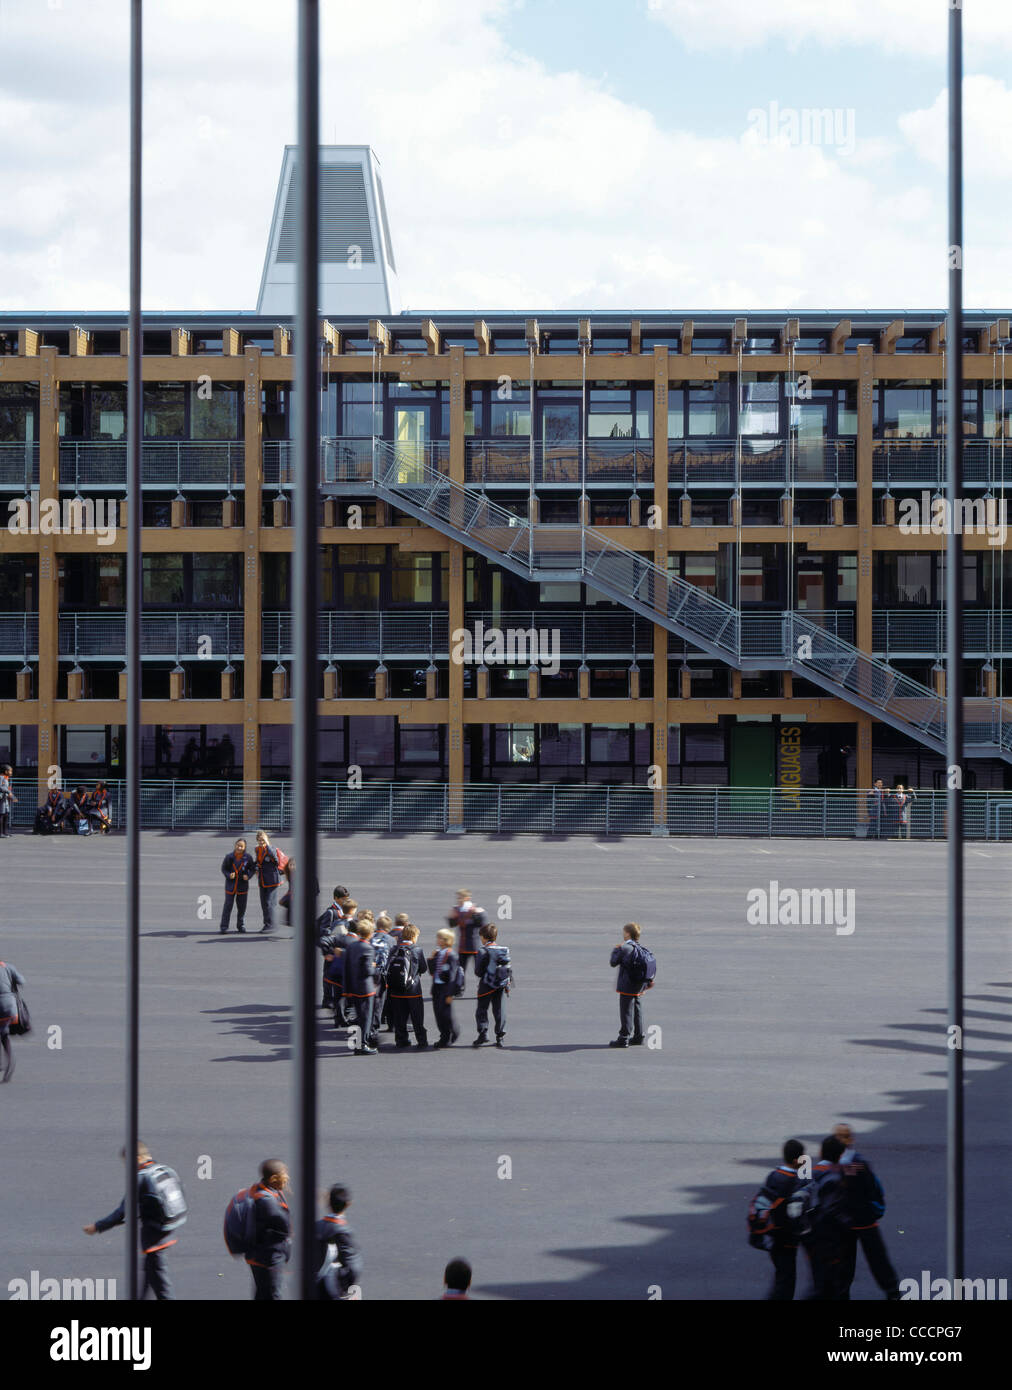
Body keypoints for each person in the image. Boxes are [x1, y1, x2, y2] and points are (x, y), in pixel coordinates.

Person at [83, 1143, 186, 1300]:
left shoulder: (141, 1179)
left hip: (154, 1240)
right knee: (150, 1274)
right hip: (167, 1231)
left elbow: (121, 1213)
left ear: (136, 1159)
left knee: (162, 1289)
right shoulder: (164, 1171)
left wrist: (97, 1227)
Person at [834, 1123, 901, 1300]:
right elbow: (873, 1189)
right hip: (861, 1219)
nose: (841, 1139)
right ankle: (892, 1292)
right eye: (839, 1136)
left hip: (850, 1219)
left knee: (854, 1260)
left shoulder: (846, 1165)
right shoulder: (857, 1162)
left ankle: (891, 1291)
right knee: (872, 1258)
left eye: (843, 1136)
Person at [754, 1139, 808, 1300]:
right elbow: (796, 1212)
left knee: (781, 1275)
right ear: (795, 1160)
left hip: (772, 1233)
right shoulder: (796, 1182)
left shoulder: (773, 1175)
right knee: (786, 1280)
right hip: (786, 1237)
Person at [237, 1159, 291, 1301]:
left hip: (256, 1255)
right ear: (273, 1179)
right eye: (284, 1175)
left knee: (262, 1292)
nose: (287, 1178)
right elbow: (285, 1227)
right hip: (269, 1257)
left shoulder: (259, 1190)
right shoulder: (268, 1203)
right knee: (273, 1293)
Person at [807, 1135, 854, 1300]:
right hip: (831, 1237)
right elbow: (832, 1211)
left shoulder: (811, 1173)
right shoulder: (836, 1177)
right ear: (839, 1155)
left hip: (811, 1234)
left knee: (820, 1279)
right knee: (835, 1281)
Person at [316, 1184, 363, 1300]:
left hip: (316, 1284)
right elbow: (352, 1266)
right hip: (334, 1286)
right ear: (348, 1204)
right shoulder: (343, 1231)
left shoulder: (317, 1226)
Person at [608, 922, 652, 1048]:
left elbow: (613, 962)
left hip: (628, 984)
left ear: (627, 933)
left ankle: (624, 1038)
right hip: (639, 984)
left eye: (624, 931)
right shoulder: (641, 948)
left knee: (626, 1010)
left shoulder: (624, 948)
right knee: (637, 1009)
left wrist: (616, 950)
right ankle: (639, 1036)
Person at [386, 923, 428, 1049]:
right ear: (414, 936)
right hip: (413, 990)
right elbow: (423, 968)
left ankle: (401, 1040)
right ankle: (421, 1040)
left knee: (399, 1017)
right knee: (417, 1016)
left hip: (396, 990)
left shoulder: (394, 949)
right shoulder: (416, 950)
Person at [342, 919, 379, 1053]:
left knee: (359, 1017)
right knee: (366, 1018)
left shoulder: (352, 946)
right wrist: (375, 968)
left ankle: (360, 1044)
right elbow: (368, 971)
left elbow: (346, 967)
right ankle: (362, 1045)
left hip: (354, 987)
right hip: (365, 989)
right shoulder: (368, 948)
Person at [473, 922, 511, 1048]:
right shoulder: (504, 950)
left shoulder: (482, 951)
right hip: (500, 985)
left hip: (486, 985)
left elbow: (478, 972)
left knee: (482, 1010)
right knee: (499, 1011)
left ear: (484, 937)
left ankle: (483, 1033)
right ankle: (500, 1036)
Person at [429, 928, 462, 1048]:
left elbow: (452, 976)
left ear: (446, 940)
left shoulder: (451, 955)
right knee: (438, 1013)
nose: (437, 940)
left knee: (445, 1014)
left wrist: (449, 994)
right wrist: (431, 960)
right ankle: (444, 1035)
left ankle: (449, 1035)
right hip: (437, 987)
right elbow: (432, 972)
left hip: (445, 988)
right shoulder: (438, 953)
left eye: (439, 938)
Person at [447, 889, 487, 982]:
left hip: (474, 945)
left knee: (479, 970)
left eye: (461, 897)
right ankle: (459, 988)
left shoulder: (474, 910)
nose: (459, 900)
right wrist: (451, 916)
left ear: (467, 898)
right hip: (463, 945)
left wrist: (477, 913)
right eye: (458, 897)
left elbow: (481, 924)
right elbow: (452, 924)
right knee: (460, 970)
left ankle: (483, 987)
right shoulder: (457, 910)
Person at [220, 838, 254, 934]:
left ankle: (240, 925)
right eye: (238, 845)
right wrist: (228, 875)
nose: (239, 847)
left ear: (244, 847)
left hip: (242, 887)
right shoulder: (229, 857)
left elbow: (252, 869)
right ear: (235, 845)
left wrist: (248, 876)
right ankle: (224, 926)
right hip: (230, 886)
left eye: (241, 846)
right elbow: (224, 868)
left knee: (242, 908)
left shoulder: (248, 858)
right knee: (227, 906)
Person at [253, 830, 285, 933]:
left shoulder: (271, 849)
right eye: (259, 840)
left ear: (266, 839)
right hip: (262, 880)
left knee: (270, 903)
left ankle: (272, 925)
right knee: (264, 903)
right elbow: (258, 862)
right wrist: (257, 868)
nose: (261, 842)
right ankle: (267, 924)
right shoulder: (258, 850)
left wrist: (267, 846)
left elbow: (276, 861)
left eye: (263, 840)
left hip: (272, 880)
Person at [0, 957, 26, 1082]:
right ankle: (8, 1063)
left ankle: (5, 1064)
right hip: (10, 1007)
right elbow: (22, 980)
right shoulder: (8, 967)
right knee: (4, 1035)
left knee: (3, 1035)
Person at [371, 913, 395, 1032]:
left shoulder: (371, 936)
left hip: (369, 972)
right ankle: (375, 1027)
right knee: (379, 1001)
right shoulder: (391, 940)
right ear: (388, 928)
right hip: (382, 975)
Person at [0, 764, 17, 837]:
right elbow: (1, 787)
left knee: (6, 815)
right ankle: (1, 833)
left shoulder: (6, 778)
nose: (11, 772)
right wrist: (9, 793)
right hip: (1, 799)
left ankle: (5, 832)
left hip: (5, 799)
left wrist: (10, 794)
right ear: (6, 771)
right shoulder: (1, 777)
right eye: (10, 771)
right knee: (1, 815)